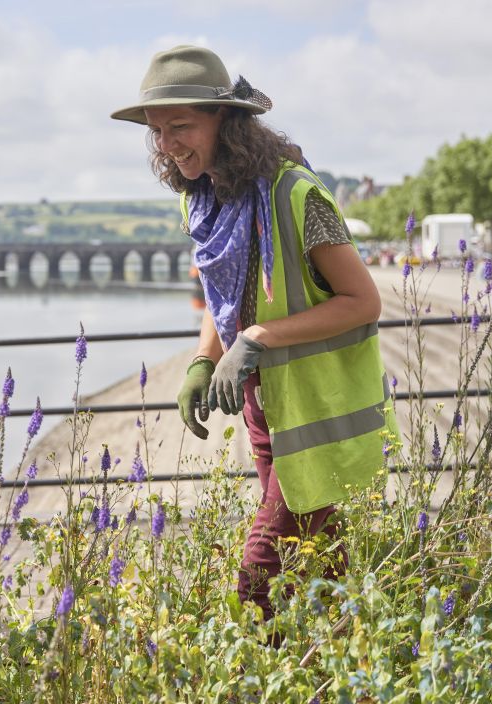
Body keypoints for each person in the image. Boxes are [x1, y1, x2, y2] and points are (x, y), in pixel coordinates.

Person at [112, 46, 397, 620]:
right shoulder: (213, 201)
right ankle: (337, 690)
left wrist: (258, 337)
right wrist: (201, 359)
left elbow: (363, 303)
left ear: (228, 121)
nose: (167, 144)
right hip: (268, 415)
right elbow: (226, 300)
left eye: (181, 127)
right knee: (321, 572)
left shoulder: (297, 196)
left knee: (257, 582)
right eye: (158, 132)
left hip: (320, 415)